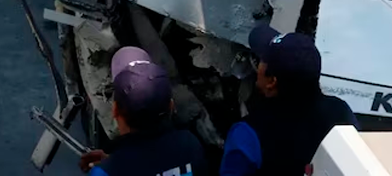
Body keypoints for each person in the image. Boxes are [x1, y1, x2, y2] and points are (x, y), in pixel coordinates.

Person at [218, 25, 358, 176]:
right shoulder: (341, 112)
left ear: (271, 82)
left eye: (262, 60)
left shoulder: (247, 134)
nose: (258, 65)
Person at [78, 46, 207, 176]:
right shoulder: (190, 145)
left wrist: (112, 163)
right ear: (171, 106)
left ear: (115, 110)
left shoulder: (105, 171)